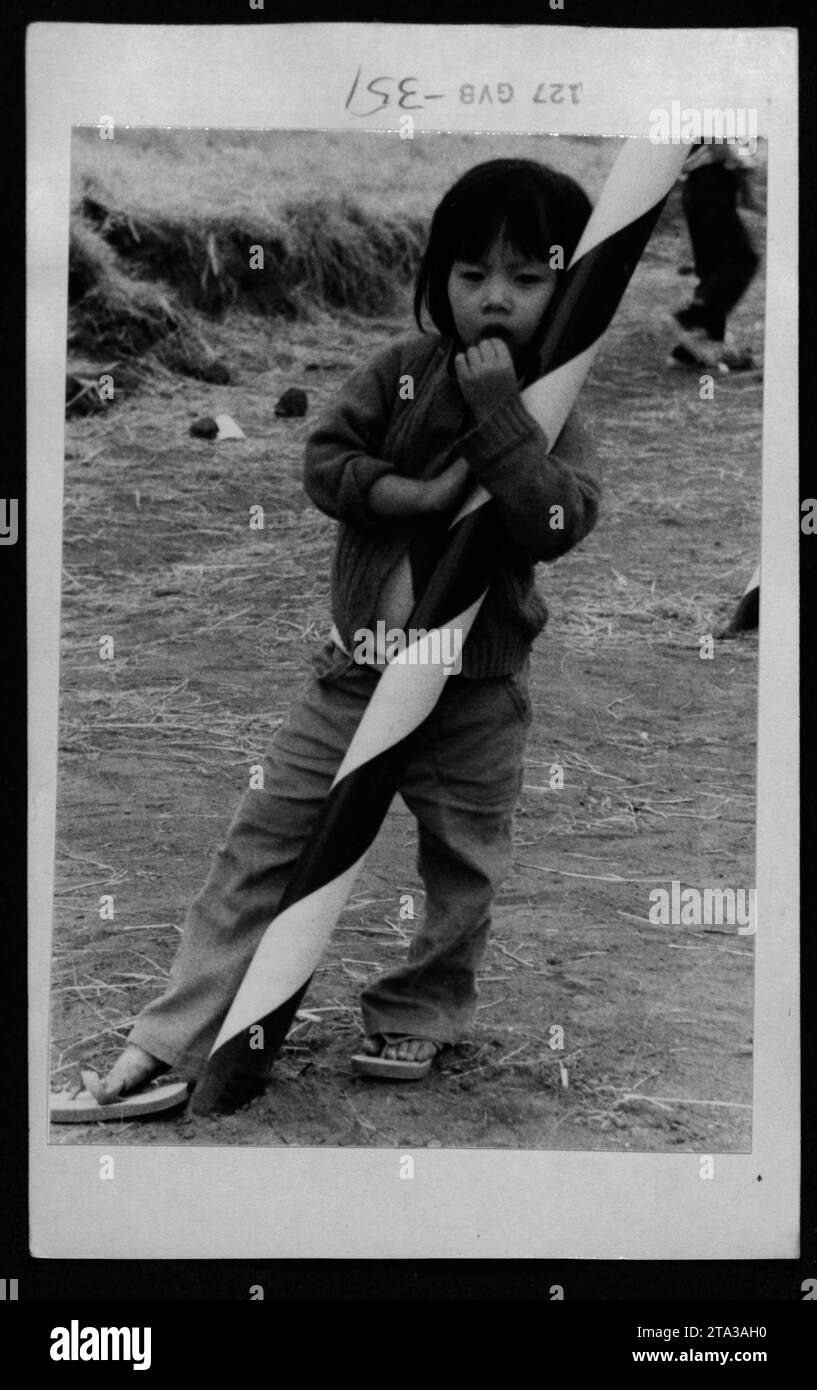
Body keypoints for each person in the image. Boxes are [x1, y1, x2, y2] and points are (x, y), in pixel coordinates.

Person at [88, 158, 602, 1105]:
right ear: (435, 277)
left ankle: (417, 1014)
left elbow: (560, 523)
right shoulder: (400, 373)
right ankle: (178, 1031)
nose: (493, 301)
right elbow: (326, 463)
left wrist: (503, 427)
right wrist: (413, 493)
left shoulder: (551, 402)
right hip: (355, 672)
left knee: (461, 868)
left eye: (528, 280)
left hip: (475, 692)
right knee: (264, 840)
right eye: (470, 274)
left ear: (571, 292)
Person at [669, 138, 760, 373]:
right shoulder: (723, 113)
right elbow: (722, 148)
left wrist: (746, 192)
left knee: (714, 269)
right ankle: (691, 319)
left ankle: (689, 354)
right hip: (712, 183)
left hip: (702, 186)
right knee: (741, 260)